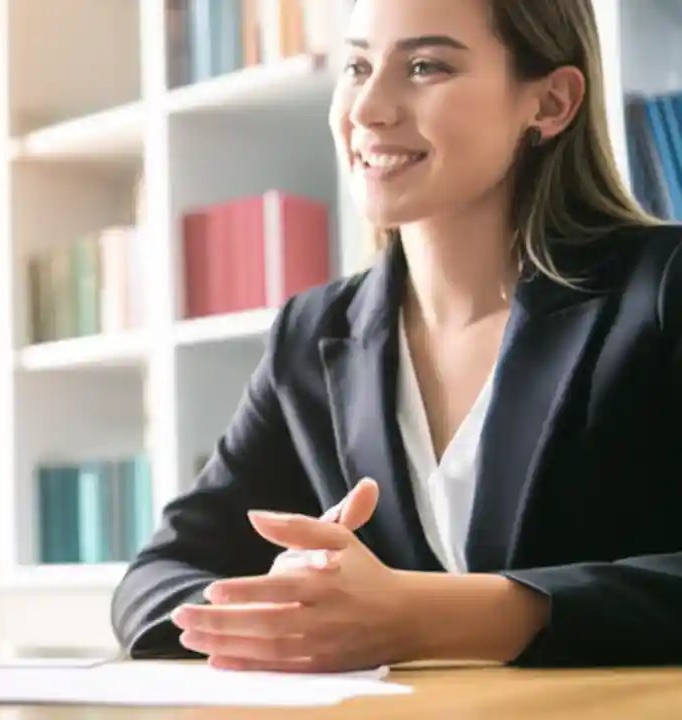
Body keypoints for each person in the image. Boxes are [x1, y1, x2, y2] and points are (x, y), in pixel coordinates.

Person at [112, 0, 682, 671]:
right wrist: (289, 605)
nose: (368, 108)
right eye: (357, 66)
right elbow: (157, 576)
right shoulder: (313, 333)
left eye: (423, 66)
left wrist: (430, 618)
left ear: (551, 103)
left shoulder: (662, 289)